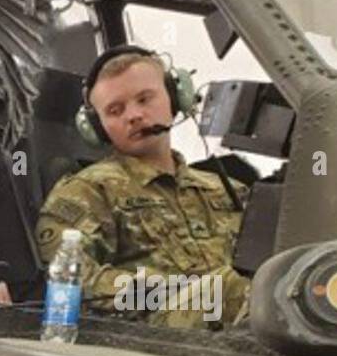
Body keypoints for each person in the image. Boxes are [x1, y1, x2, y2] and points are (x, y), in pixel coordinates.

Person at [36, 45, 251, 328]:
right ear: (96, 127)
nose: (133, 115)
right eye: (115, 110)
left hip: (242, 326)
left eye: (144, 99)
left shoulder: (230, 190)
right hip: (149, 337)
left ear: (176, 98)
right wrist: (167, 290)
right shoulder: (88, 191)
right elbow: (68, 278)